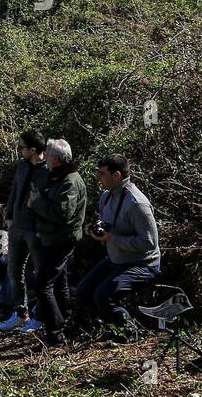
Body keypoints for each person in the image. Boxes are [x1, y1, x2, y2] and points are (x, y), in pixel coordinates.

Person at [74, 154, 161, 325]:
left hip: (143, 264)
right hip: (117, 260)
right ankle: (103, 326)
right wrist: (95, 229)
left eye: (102, 174)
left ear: (117, 176)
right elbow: (108, 223)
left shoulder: (137, 204)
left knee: (103, 296)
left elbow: (149, 243)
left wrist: (113, 239)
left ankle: (130, 330)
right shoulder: (107, 196)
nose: (98, 177)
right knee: (83, 291)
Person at [22, 138, 87, 339]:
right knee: (59, 281)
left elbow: (62, 213)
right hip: (54, 238)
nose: (45, 157)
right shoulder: (59, 177)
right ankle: (65, 320)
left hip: (62, 239)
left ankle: (56, 330)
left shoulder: (69, 181)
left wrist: (37, 203)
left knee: (42, 284)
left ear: (57, 158)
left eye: (48, 154)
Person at [0, 131, 48, 331]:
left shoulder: (48, 170)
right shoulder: (21, 165)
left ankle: (42, 315)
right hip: (16, 226)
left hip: (34, 230)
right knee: (13, 272)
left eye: (22, 147)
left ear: (33, 150)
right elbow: (14, 190)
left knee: (41, 275)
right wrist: (8, 215)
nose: (20, 151)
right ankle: (20, 313)